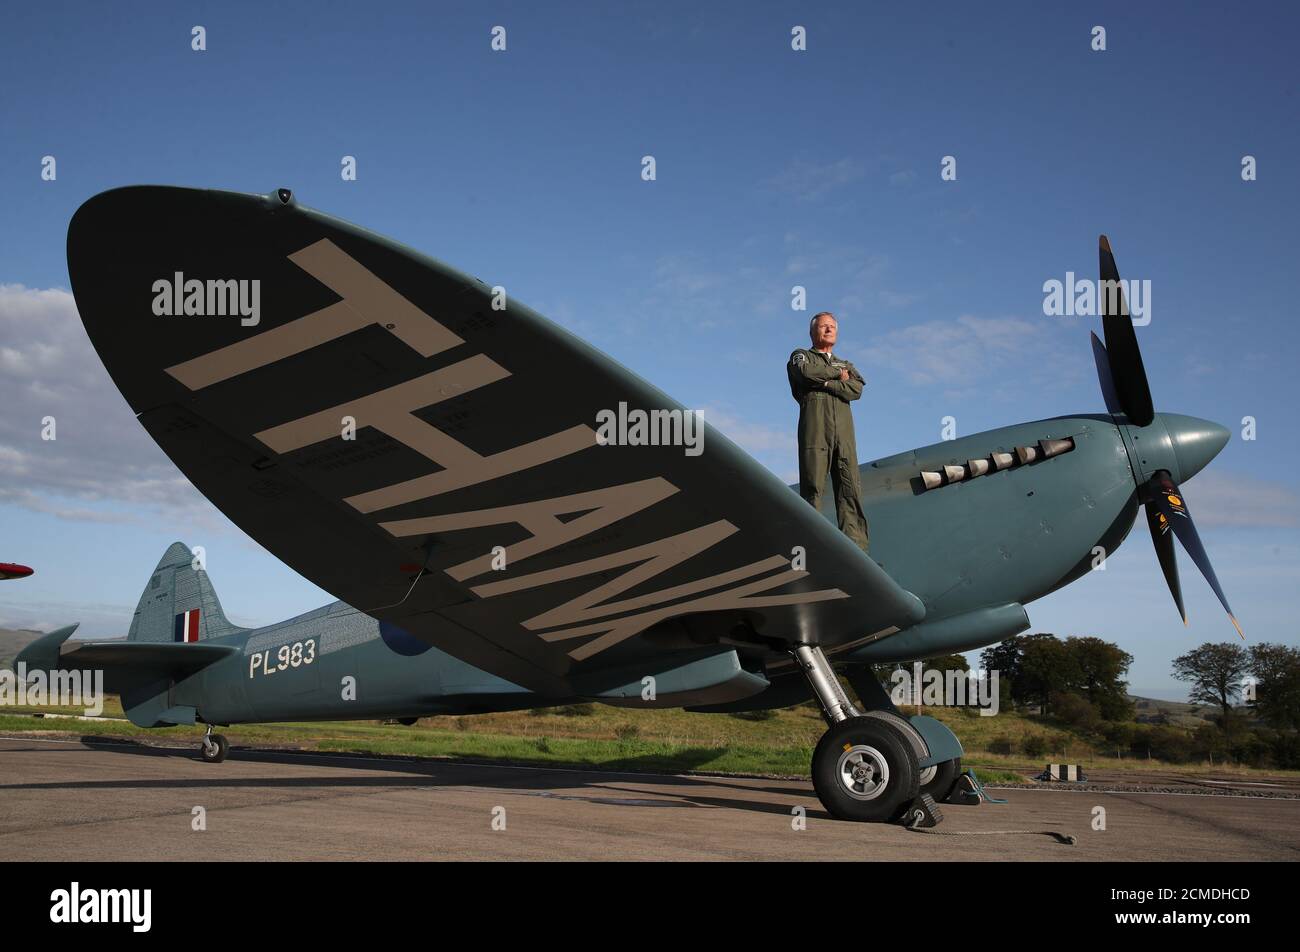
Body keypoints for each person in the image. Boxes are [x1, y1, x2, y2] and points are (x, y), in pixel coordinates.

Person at [787, 311, 870, 554]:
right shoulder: (801, 355)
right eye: (823, 326)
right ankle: (808, 549)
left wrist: (825, 383)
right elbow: (805, 373)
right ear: (812, 331)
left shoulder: (847, 364)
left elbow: (856, 388)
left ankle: (857, 552)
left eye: (832, 326)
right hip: (816, 429)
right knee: (813, 487)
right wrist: (835, 375)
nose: (828, 329)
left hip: (844, 434)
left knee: (849, 488)